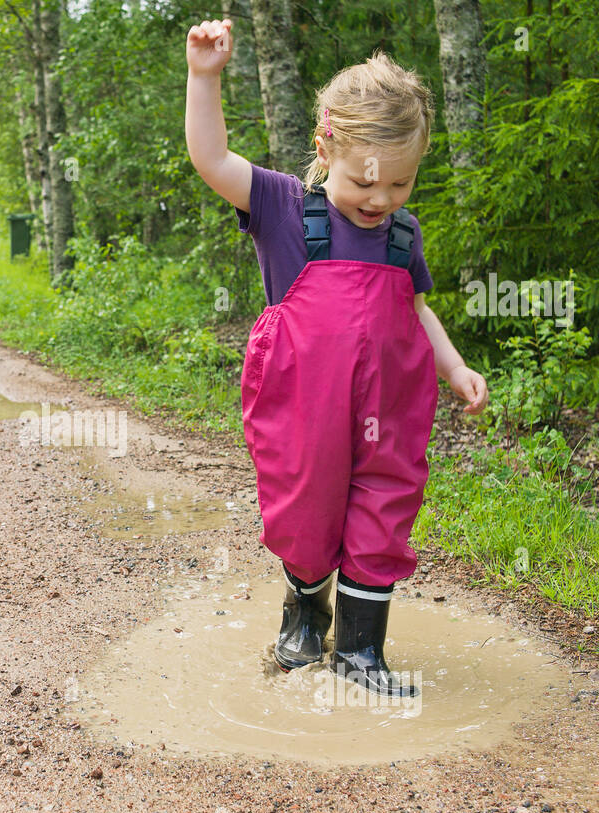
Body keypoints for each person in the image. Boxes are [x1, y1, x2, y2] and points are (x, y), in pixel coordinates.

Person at [185, 19, 488, 697]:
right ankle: (303, 612)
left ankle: (359, 651)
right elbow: (211, 159)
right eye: (367, 183)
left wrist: (454, 364)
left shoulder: (400, 233)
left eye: (401, 186)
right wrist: (205, 77)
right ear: (326, 147)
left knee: (384, 510)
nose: (382, 201)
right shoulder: (285, 208)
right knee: (309, 510)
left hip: (389, 410)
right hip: (305, 410)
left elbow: (414, 307)